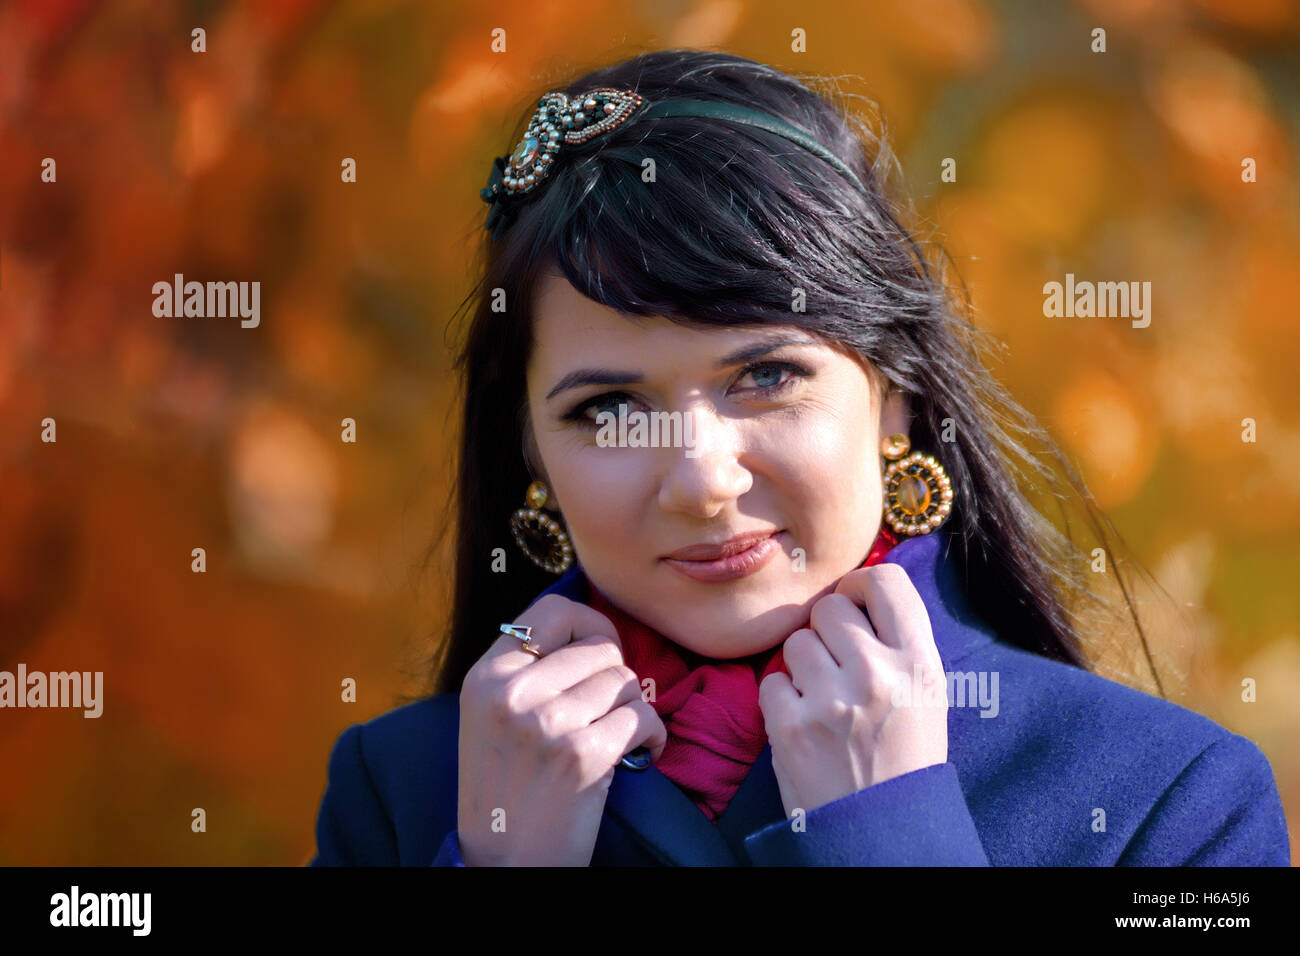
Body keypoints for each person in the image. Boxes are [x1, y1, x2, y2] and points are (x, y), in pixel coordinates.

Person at [310, 50, 1290, 866]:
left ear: (893, 392)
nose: (700, 480)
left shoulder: (1169, 797)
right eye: (609, 408)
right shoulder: (404, 791)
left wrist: (890, 838)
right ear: (530, 447)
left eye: (766, 376)